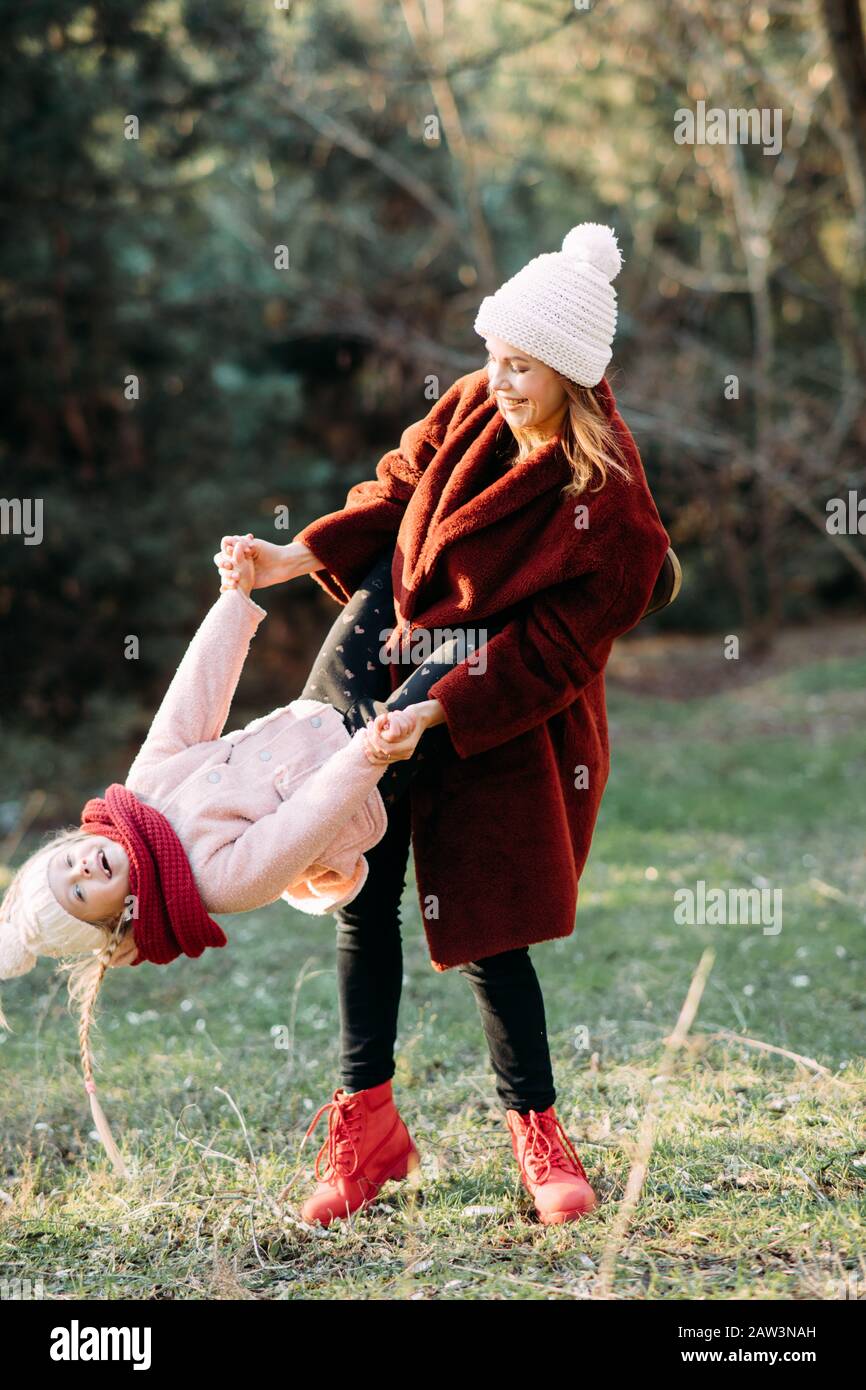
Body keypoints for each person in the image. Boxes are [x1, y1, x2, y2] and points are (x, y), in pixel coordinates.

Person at [213, 221, 675, 1227]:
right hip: (376, 643)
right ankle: (365, 1127)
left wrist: (442, 708)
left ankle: (537, 1133)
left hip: (499, 706)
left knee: (487, 927)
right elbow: (391, 495)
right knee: (359, 888)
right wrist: (290, 559)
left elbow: (554, 654)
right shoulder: (468, 407)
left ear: (571, 375)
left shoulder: (615, 513)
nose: (496, 378)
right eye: (491, 355)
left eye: (520, 365)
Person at [0, 539, 480, 1176]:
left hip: (317, 704)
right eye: (81, 895)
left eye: (69, 866)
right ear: (121, 916)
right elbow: (300, 825)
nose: (83, 872)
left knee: (390, 574)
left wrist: (236, 599)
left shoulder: (143, 789)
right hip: (369, 763)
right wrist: (370, 753)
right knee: (472, 637)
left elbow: (192, 699)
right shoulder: (220, 884)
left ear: (74, 843)